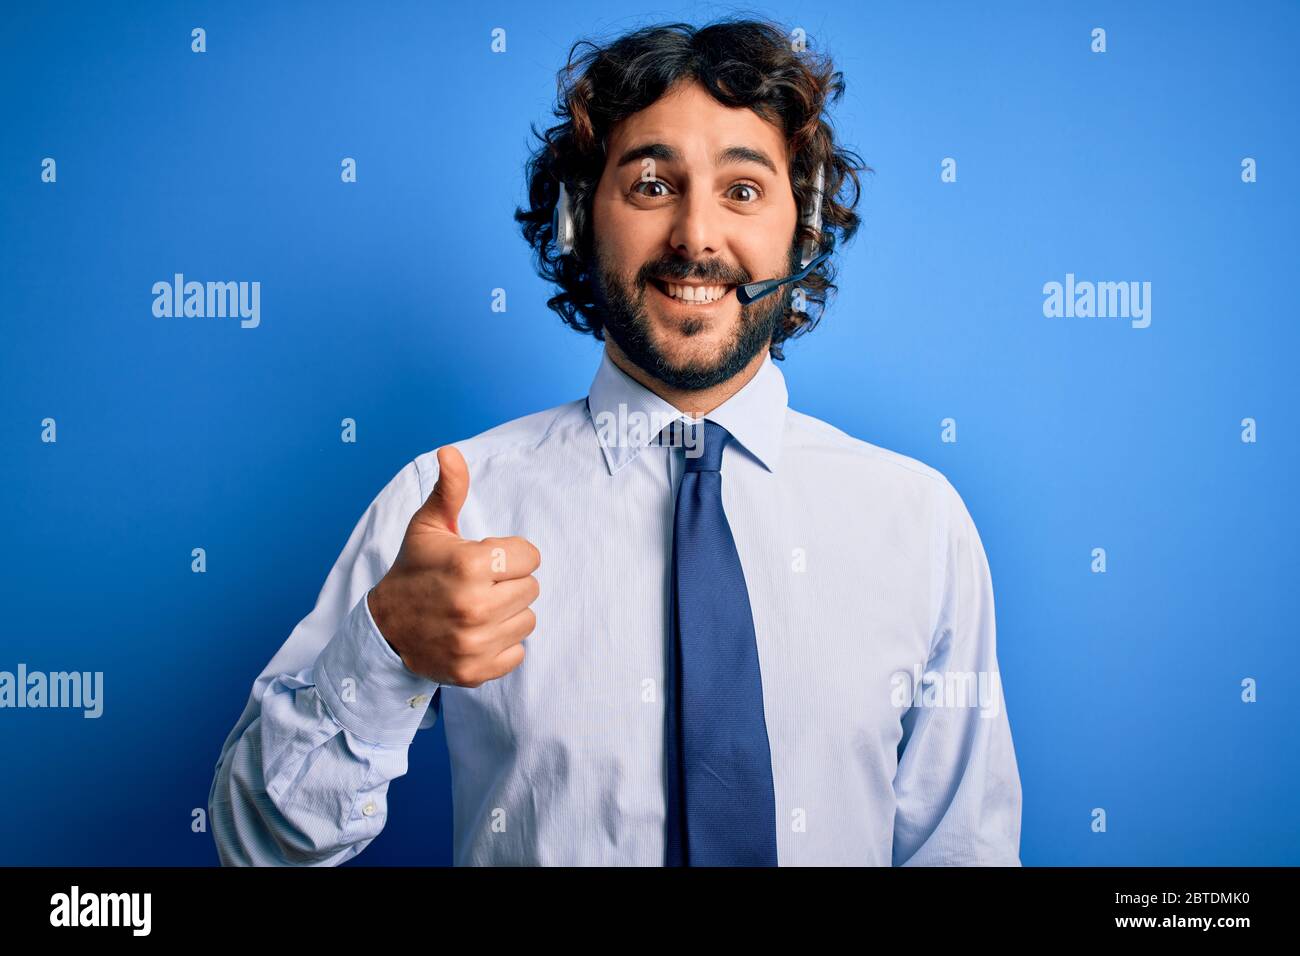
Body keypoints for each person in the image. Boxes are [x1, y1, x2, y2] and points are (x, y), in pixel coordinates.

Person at [208, 17, 1022, 866]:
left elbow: (965, 851)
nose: (697, 238)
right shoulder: (451, 506)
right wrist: (383, 647)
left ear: (802, 228)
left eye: (743, 191)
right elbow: (253, 843)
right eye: (650, 186)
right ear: (578, 222)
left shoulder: (920, 524)